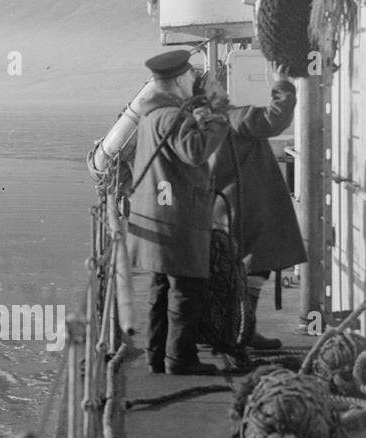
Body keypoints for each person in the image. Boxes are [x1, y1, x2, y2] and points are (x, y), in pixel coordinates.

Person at [127, 49, 231, 375]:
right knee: (187, 289)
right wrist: (216, 116)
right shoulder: (172, 117)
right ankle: (180, 359)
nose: (192, 80)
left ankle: (156, 355)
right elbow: (195, 151)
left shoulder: (151, 115)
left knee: (160, 288)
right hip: (177, 218)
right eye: (189, 76)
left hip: (155, 214)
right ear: (178, 80)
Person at [208, 63, 304, 352]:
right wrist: (282, 83)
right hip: (248, 207)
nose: (222, 86)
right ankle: (243, 331)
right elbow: (274, 120)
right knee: (254, 269)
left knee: (236, 271)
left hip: (225, 208)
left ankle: (231, 330)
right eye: (215, 84)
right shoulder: (231, 116)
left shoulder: (204, 122)